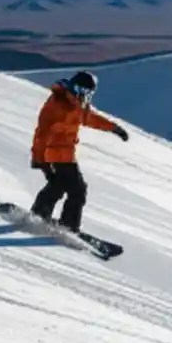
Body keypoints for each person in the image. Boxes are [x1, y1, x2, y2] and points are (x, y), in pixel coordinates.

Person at [29, 70, 128, 233]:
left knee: (58, 186)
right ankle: (68, 225)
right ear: (75, 87)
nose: (86, 95)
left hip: (66, 154)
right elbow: (42, 132)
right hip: (54, 154)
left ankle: (40, 213)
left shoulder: (76, 104)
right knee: (77, 190)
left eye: (89, 93)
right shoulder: (58, 104)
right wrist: (39, 159)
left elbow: (90, 118)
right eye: (83, 91)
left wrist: (114, 129)